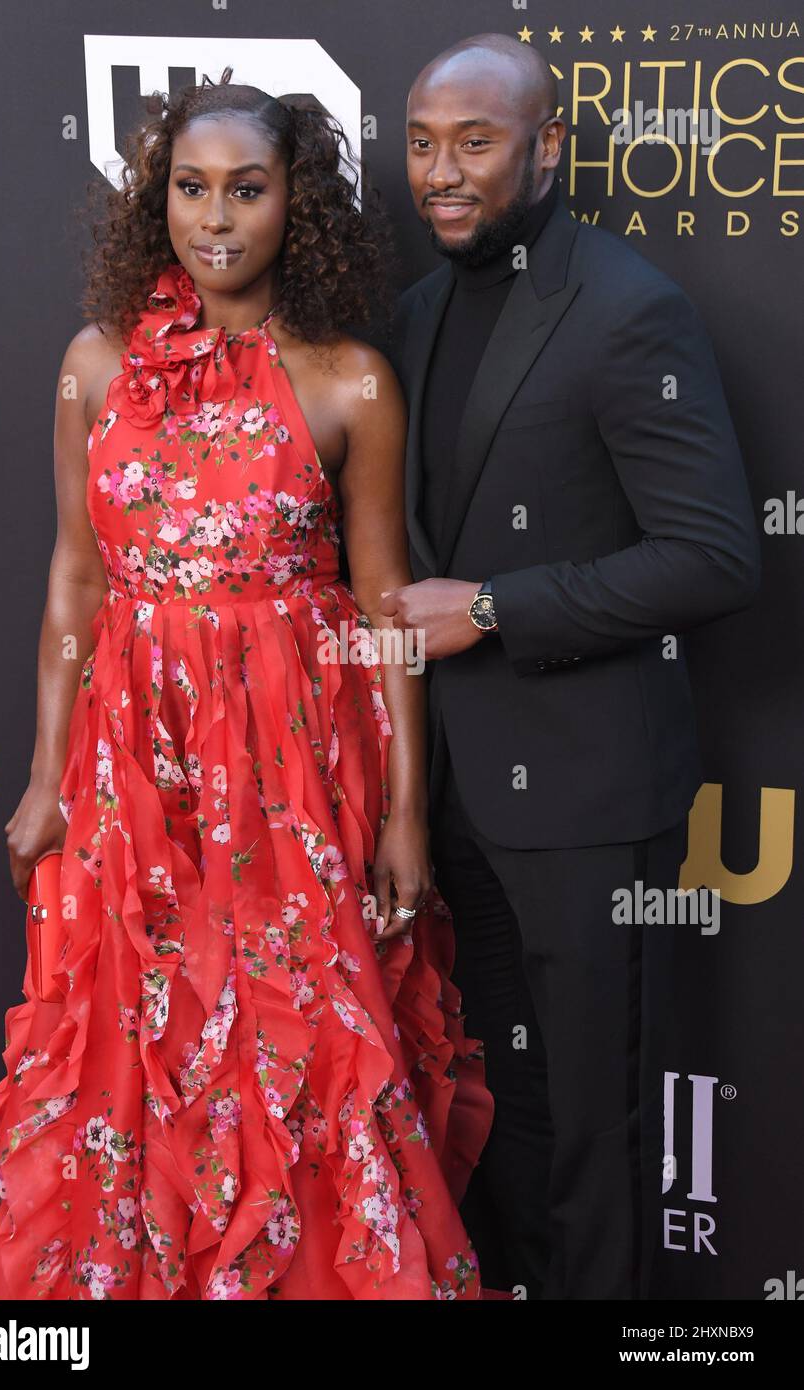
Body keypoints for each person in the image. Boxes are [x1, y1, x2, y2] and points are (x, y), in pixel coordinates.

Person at [0, 69, 493, 1301]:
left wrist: (401, 814)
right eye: (190, 189)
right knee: (128, 1040)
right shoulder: (95, 364)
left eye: (247, 188)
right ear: (157, 201)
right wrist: (41, 782)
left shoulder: (350, 379)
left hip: (292, 763)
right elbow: (75, 584)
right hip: (129, 761)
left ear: (296, 203)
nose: (217, 218)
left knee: (293, 1035)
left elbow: (384, 608)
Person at [383, 35, 761, 1299]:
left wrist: (490, 604)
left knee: (595, 1132)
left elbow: (712, 558)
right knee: (501, 1114)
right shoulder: (417, 311)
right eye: (423, 141)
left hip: (589, 809)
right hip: (450, 806)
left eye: (473, 143)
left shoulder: (624, 306)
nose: (441, 170)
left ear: (545, 147)